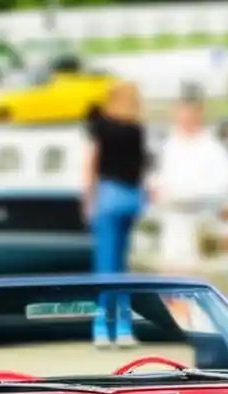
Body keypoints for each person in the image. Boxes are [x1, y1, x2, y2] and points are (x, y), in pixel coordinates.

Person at [83, 81, 146, 348]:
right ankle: (124, 328)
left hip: (108, 197)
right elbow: (142, 166)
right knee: (123, 269)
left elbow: (91, 164)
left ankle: (100, 327)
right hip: (132, 198)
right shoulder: (137, 129)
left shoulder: (101, 127)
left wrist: (87, 200)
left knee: (104, 269)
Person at [150, 85, 228, 274]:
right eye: (182, 110)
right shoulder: (168, 145)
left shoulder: (212, 148)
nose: (186, 116)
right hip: (172, 226)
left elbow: (223, 185)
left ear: (200, 112)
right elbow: (157, 178)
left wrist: (189, 194)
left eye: (191, 111)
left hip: (201, 226)